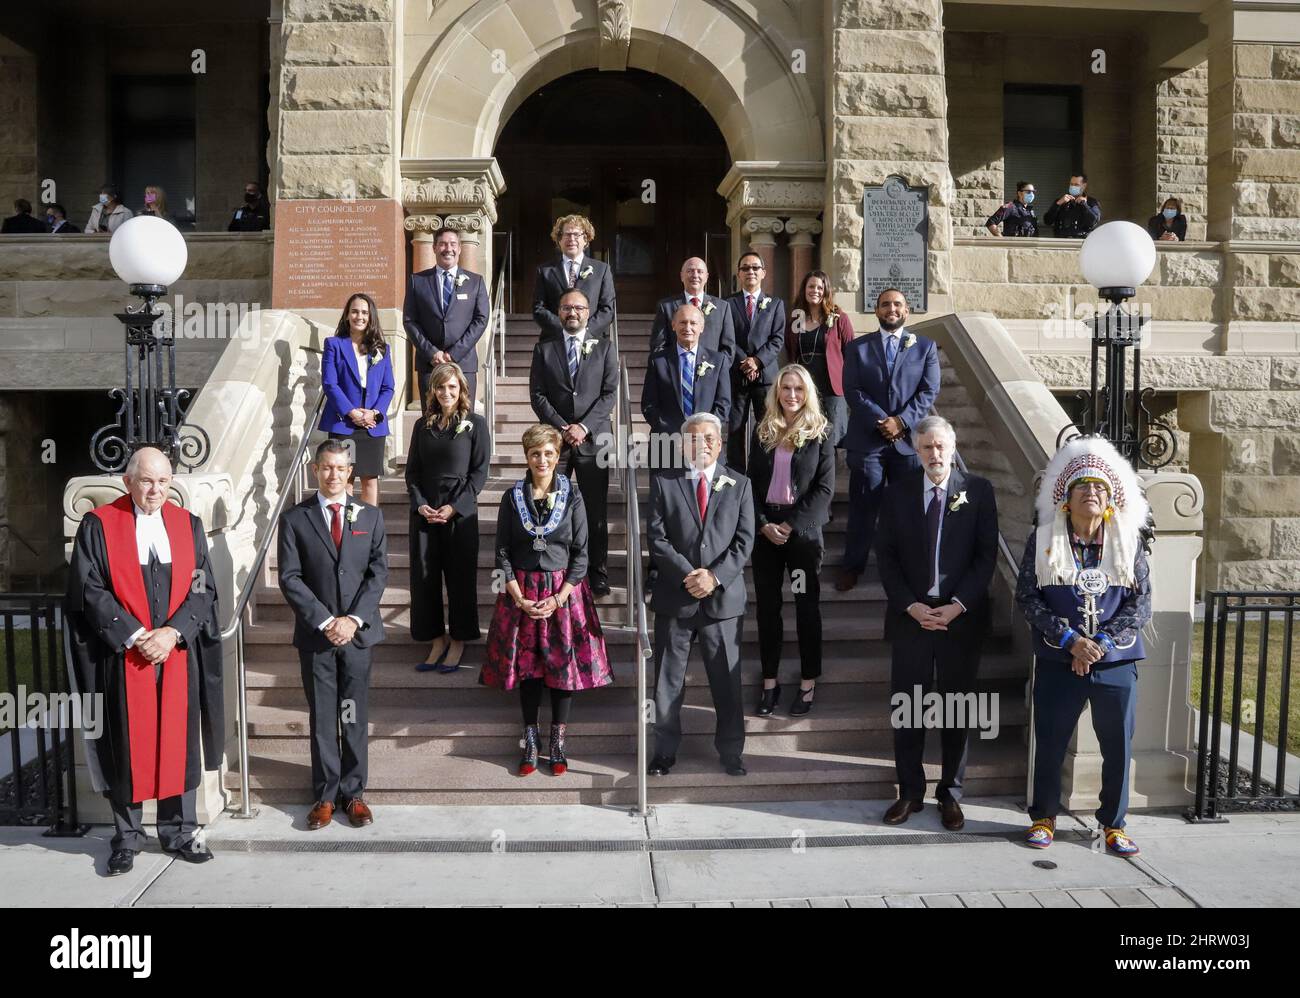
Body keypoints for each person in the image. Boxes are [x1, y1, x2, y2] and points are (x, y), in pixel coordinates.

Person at [64, 446, 224, 876]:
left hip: (175, 653)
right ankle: (127, 838)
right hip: (125, 656)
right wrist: (136, 636)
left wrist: (173, 633)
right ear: (128, 481)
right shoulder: (99, 525)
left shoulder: (188, 525)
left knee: (179, 740)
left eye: (164, 480)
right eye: (148, 481)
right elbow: (88, 589)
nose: (156, 490)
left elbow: (203, 587)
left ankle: (179, 831)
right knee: (126, 744)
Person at [1016, 435, 1152, 857]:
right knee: (1051, 741)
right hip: (1060, 659)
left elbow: (1141, 603)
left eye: (1098, 488)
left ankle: (1113, 824)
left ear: (1109, 499)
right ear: (1066, 500)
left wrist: (1103, 643)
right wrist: (1071, 640)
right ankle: (1043, 817)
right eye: (1082, 488)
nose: (1091, 494)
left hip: (1115, 662)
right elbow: (1028, 597)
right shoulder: (1043, 543)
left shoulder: (1128, 544)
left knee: (1118, 746)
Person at [875, 416, 998, 830]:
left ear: (953, 445)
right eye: (927, 447)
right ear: (916, 449)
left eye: (941, 446)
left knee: (955, 710)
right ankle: (910, 792)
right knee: (909, 709)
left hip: (958, 621)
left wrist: (958, 605)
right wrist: (910, 606)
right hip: (911, 618)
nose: (935, 454)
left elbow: (985, 558)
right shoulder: (896, 493)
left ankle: (951, 793)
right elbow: (887, 557)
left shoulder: (978, 491)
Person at [481, 424, 612, 777]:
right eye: (536, 453)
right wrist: (519, 597)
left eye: (549, 454)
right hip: (521, 592)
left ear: (558, 457)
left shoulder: (573, 495)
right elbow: (502, 551)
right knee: (529, 668)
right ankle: (531, 739)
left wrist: (559, 597)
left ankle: (557, 742)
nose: (542, 460)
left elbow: (582, 554)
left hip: (562, 593)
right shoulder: (513, 496)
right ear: (527, 456)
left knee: (561, 668)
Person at [277, 439, 389, 830]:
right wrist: (326, 621)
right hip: (317, 636)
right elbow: (290, 578)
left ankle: (354, 793)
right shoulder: (295, 519)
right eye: (327, 468)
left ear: (350, 473)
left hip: (357, 636)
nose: (334, 475)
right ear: (315, 470)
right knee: (324, 716)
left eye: (341, 469)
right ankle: (325, 794)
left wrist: (353, 619)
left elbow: (378, 575)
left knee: (353, 715)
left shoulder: (370, 517)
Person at [647, 413, 755, 777]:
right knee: (667, 681)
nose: (702, 445)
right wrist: (688, 576)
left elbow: (744, 541)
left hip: (722, 602)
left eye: (709, 438)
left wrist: (715, 577)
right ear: (682, 445)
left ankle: (730, 752)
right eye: (694, 439)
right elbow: (657, 539)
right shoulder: (665, 483)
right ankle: (663, 752)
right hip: (676, 599)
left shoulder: (740, 484)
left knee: (726, 680)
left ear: (720, 443)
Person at [746, 364, 834, 717]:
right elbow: (750, 483)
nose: (792, 395)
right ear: (777, 392)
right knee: (768, 610)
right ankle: (770, 682)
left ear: (808, 392)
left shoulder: (821, 433)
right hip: (767, 535)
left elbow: (825, 489)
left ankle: (808, 682)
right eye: (786, 388)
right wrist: (764, 523)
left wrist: (791, 526)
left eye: (799, 388)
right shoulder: (763, 430)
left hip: (801, 536)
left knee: (805, 607)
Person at [838, 288, 940, 592]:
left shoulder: (924, 347)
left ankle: (908, 568)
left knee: (907, 509)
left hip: (908, 443)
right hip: (868, 440)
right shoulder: (858, 347)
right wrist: (883, 420)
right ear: (877, 310)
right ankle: (852, 566)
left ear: (906, 311)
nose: (891, 309)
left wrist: (902, 421)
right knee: (863, 506)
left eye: (897, 304)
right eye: (885, 305)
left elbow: (928, 391)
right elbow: (852, 390)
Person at [529, 288, 618, 596]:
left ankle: (597, 572)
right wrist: (561, 427)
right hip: (554, 442)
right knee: (550, 505)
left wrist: (584, 426)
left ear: (588, 312)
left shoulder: (606, 349)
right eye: (567, 307)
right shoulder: (544, 349)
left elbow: (609, 394)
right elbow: (537, 394)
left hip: (595, 440)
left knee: (596, 511)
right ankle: (554, 566)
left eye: (579, 308)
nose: (573, 313)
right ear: (558, 312)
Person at [406, 362, 489, 673]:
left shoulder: (476, 424)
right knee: (425, 577)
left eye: (452, 387)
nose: (446, 392)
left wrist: (455, 507)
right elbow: (412, 471)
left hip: (459, 511)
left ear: (462, 389)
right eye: (441, 387)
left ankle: (458, 639)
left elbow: (479, 473)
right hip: (425, 509)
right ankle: (435, 639)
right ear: (433, 390)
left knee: (459, 577)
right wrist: (420, 504)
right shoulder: (421, 426)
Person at [319, 292, 395, 508]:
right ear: (346, 315)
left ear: (370, 317)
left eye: (364, 312)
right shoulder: (334, 344)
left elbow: (388, 387)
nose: (359, 316)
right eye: (354, 311)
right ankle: (346, 529)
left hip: (372, 425)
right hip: (344, 423)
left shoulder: (382, 349)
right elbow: (330, 384)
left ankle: (369, 531)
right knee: (345, 478)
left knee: (370, 480)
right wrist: (351, 412)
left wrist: (375, 413)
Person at [403, 226, 490, 406]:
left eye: (452, 244)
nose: (447, 249)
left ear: (459, 248)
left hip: (463, 364)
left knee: (464, 419)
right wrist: (431, 352)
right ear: (434, 248)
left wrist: (454, 353)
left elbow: (481, 319)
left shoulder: (475, 282)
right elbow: (410, 320)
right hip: (430, 365)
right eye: (442, 244)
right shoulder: (417, 281)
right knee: (431, 419)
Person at [725, 251, 786, 468]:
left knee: (766, 427)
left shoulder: (775, 304)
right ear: (739, 274)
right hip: (736, 375)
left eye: (755, 268)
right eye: (745, 268)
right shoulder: (728, 304)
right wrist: (745, 362)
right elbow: (727, 338)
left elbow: (777, 339)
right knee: (735, 428)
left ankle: (762, 472)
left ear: (763, 273)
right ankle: (736, 474)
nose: (750, 271)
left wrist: (758, 361)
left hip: (765, 375)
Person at [784, 270, 855, 448]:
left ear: (826, 291)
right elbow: (790, 349)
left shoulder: (839, 317)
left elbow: (851, 351)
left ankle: (830, 474)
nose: (815, 290)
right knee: (804, 432)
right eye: (811, 286)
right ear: (804, 289)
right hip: (804, 384)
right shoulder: (796, 317)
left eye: (819, 287)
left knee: (830, 436)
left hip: (831, 384)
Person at [641, 302, 731, 442]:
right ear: (673, 325)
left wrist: (702, 432)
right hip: (667, 443)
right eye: (682, 322)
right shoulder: (658, 361)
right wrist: (674, 432)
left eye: (693, 323)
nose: (687, 328)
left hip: (705, 444)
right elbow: (649, 405)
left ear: (701, 327)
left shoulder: (718, 361)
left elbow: (723, 404)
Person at [531, 213, 615, 340]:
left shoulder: (601, 270)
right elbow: (539, 308)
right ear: (559, 239)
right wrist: (564, 329)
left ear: (585, 239)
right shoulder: (545, 271)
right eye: (567, 234)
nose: (571, 239)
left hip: (591, 340)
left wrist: (584, 331)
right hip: (554, 341)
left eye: (576, 234)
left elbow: (608, 308)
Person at [648, 256, 736, 364]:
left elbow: (728, 348)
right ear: (681, 276)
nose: (695, 275)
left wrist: (715, 371)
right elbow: (658, 346)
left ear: (706, 277)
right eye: (690, 271)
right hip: (677, 373)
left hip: (710, 375)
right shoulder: (666, 307)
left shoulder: (722, 307)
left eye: (700, 272)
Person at [1043, 173, 1100, 238]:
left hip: (1081, 242)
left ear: (1084, 186)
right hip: (1061, 242)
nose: (1073, 187)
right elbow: (1047, 221)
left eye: (1076, 185)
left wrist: (1084, 205)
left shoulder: (1091, 202)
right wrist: (1057, 204)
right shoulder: (1061, 201)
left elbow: (1093, 222)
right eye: (1071, 184)